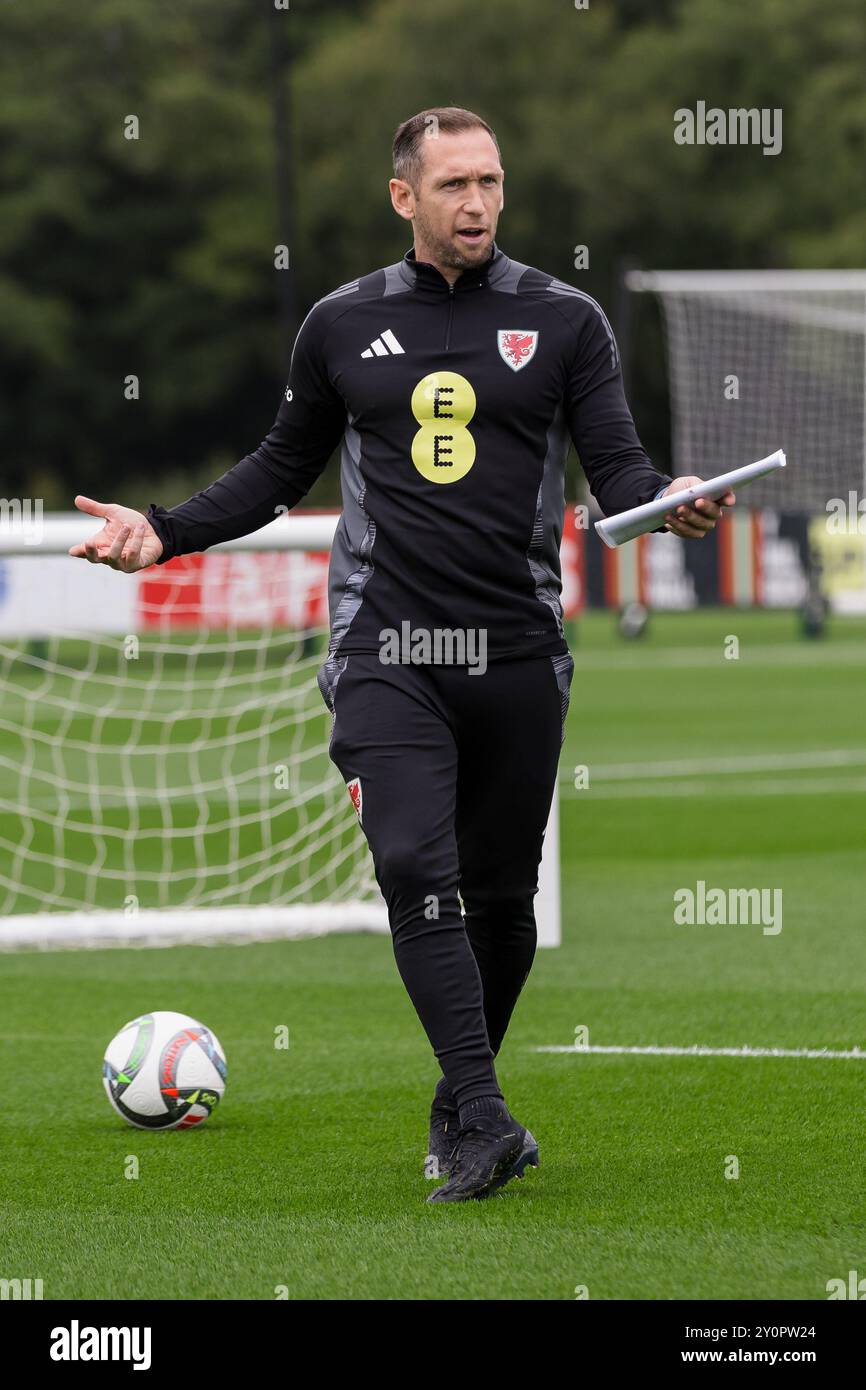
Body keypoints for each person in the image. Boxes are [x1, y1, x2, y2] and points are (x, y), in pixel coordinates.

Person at [70, 105, 734, 1203]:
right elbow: (280, 467)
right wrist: (162, 528)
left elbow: (616, 472)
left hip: (516, 645)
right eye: (454, 186)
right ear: (403, 198)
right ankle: (482, 1116)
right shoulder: (337, 324)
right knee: (414, 866)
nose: (476, 203)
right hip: (387, 642)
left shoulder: (564, 319)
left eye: (491, 182)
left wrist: (667, 503)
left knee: (502, 901)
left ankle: (457, 1097)